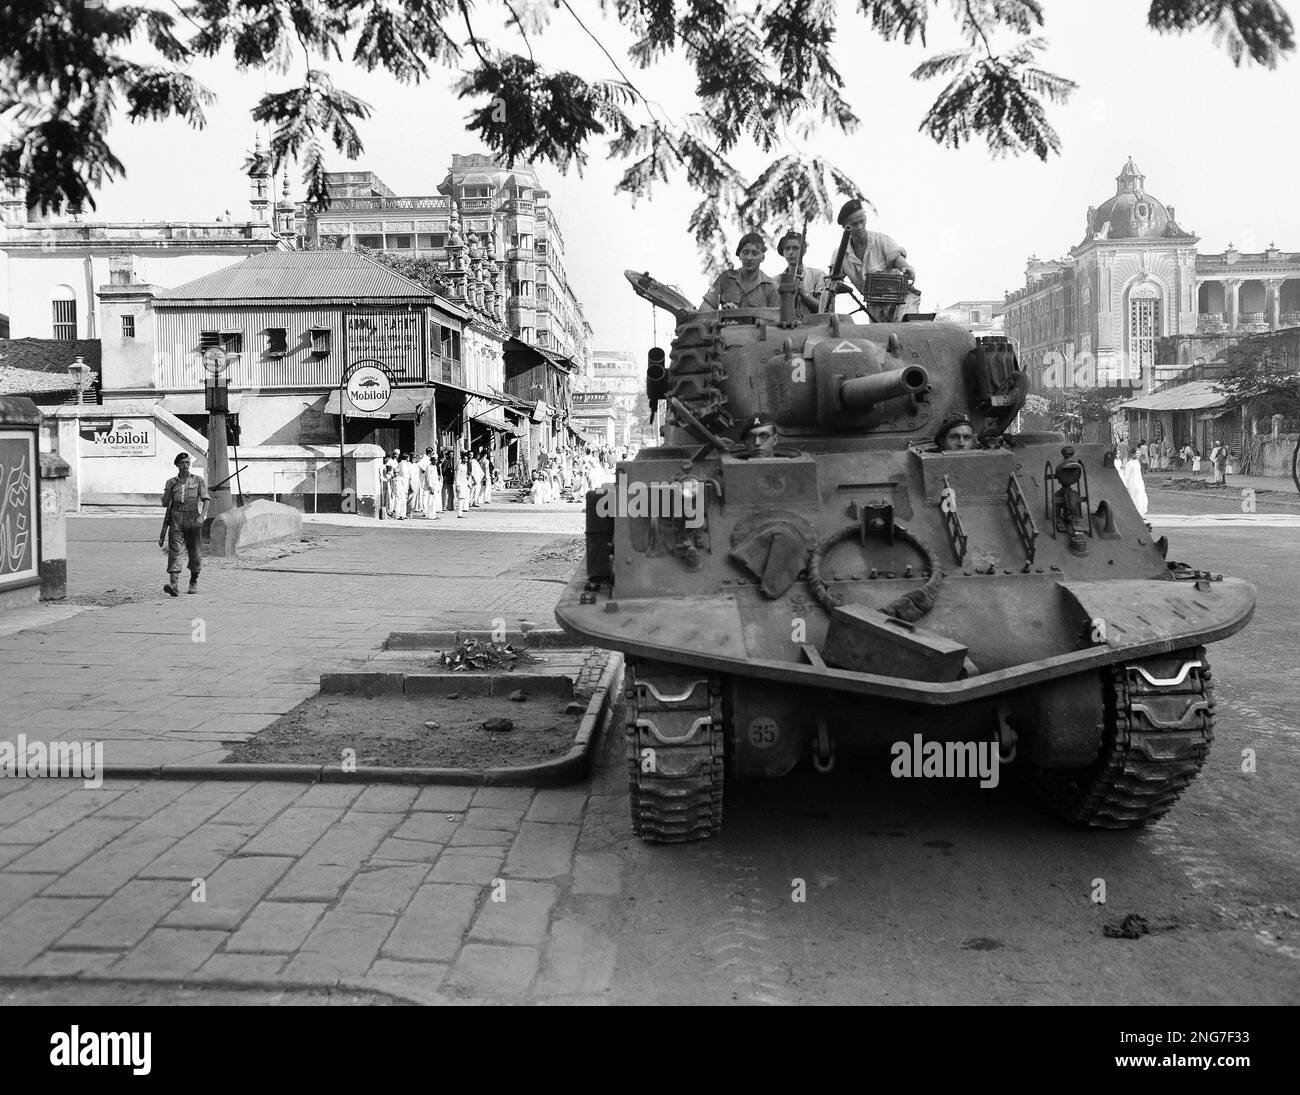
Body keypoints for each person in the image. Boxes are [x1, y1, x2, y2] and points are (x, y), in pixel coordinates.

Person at [826, 198, 918, 321]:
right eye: (853, 224)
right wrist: (835, 285)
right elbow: (832, 282)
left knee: (906, 331)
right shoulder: (840, 254)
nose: (859, 227)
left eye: (861, 221)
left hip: (901, 302)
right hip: (874, 307)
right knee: (879, 338)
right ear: (845, 227)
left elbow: (899, 261)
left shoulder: (882, 241)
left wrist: (907, 269)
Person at [160, 452, 209, 596]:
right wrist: (168, 491)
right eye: (182, 463)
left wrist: (202, 517)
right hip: (175, 518)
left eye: (187, 463)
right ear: (177, 465)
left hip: (192, 517)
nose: (185, 466)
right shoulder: (171, 482)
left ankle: (194, 580)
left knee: (194, 551)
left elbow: (206, 499)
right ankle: (174, 585)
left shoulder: (198, 480)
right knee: (174, 551)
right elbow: (164, 503)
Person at [702, 232, 780, 310]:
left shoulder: (770, 286)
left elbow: (777, 317)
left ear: (762, 258)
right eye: (745, 253)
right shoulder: (725, 279)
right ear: (740, 255)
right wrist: (723, 315)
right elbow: (704, 308)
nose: (749, 258)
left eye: (755, 253)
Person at [776, 230, 825, 314]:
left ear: (804, 250)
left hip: (811, 326)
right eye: (787, 248)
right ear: (783, 252)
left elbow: (823, 309)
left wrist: (802, 292)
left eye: (795, 248)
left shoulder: (818, 275)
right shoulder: (775, 281)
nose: (791, 252)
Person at [1114, 442, 1148, 518]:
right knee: (1135, 497)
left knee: (1141, 497)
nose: (1138, 455)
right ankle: (1135, 513)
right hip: (1132, 483)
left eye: (1139, 453)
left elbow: (1139, 474)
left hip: (1139, 482)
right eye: (1137, 453)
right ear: (1133, 454)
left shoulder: (1137, 463)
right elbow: (1126, 476)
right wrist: (1125, 484)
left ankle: (1140, 513)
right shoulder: (1129, 464)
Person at [454, 452, 471, 517]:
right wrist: (457, 485)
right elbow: (457, 476)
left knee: (464, 497)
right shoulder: (459, 466)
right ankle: (459, 513)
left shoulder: (465, 466)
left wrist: (468, 483)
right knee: (461, 498)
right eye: (464, 459)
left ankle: (461, 512)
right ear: (462, 459)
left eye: (466, 459)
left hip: (464, 483)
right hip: (460, 483)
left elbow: (465, 476)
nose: (465, 460)